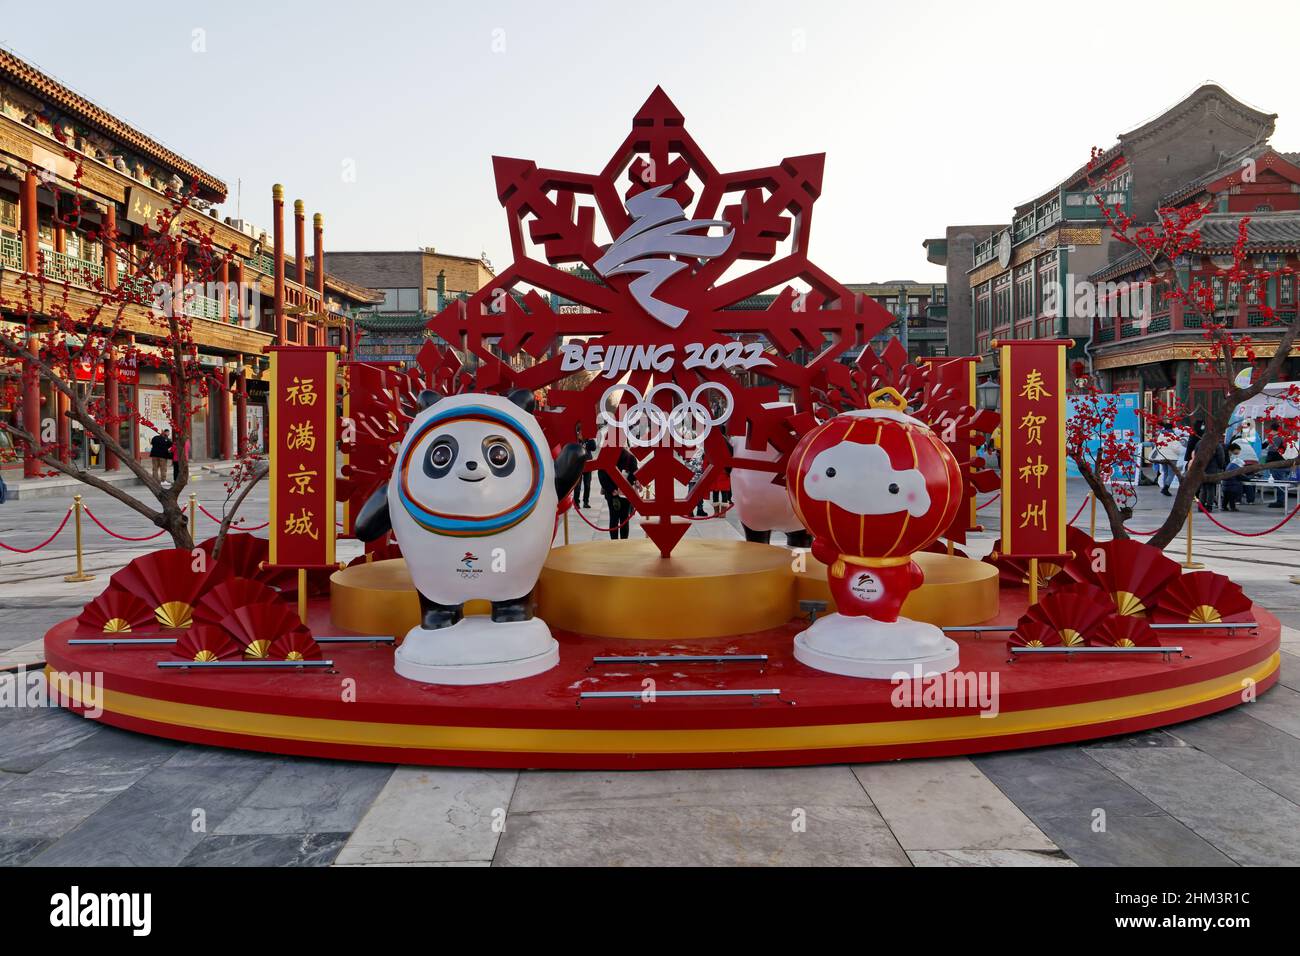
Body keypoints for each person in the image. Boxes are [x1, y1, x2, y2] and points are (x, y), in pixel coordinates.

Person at [597, 447, 638, 540]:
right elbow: (634, 474)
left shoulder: (607, 456)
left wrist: (612, 489)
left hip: (615, 493)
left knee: (614, 518)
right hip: (622, 493)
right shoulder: (630, 457)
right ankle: (623, 542)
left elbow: (601, 475)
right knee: (623, 519)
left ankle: (614, 542)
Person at [575, 426, 596, 510]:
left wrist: (589, 439)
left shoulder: (589, 440)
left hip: (588, 464)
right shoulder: (576, 440)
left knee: (587, 484)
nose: (582, 434)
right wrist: (579, 440)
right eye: (581, 432)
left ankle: (586, 502)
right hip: (578, 465)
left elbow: (594, 448)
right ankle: (576, 502)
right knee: (577, 485)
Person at [1222, 443, 1245, 512]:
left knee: (1225, 497)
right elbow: (1239, 476)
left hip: (1225, 484)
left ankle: (1224, 507)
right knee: (1232, 498)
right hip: (1232, 486)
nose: (1238, 453)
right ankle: (1232, 508)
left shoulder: (1230, 464)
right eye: (1238, 450)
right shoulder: (1226, 454)